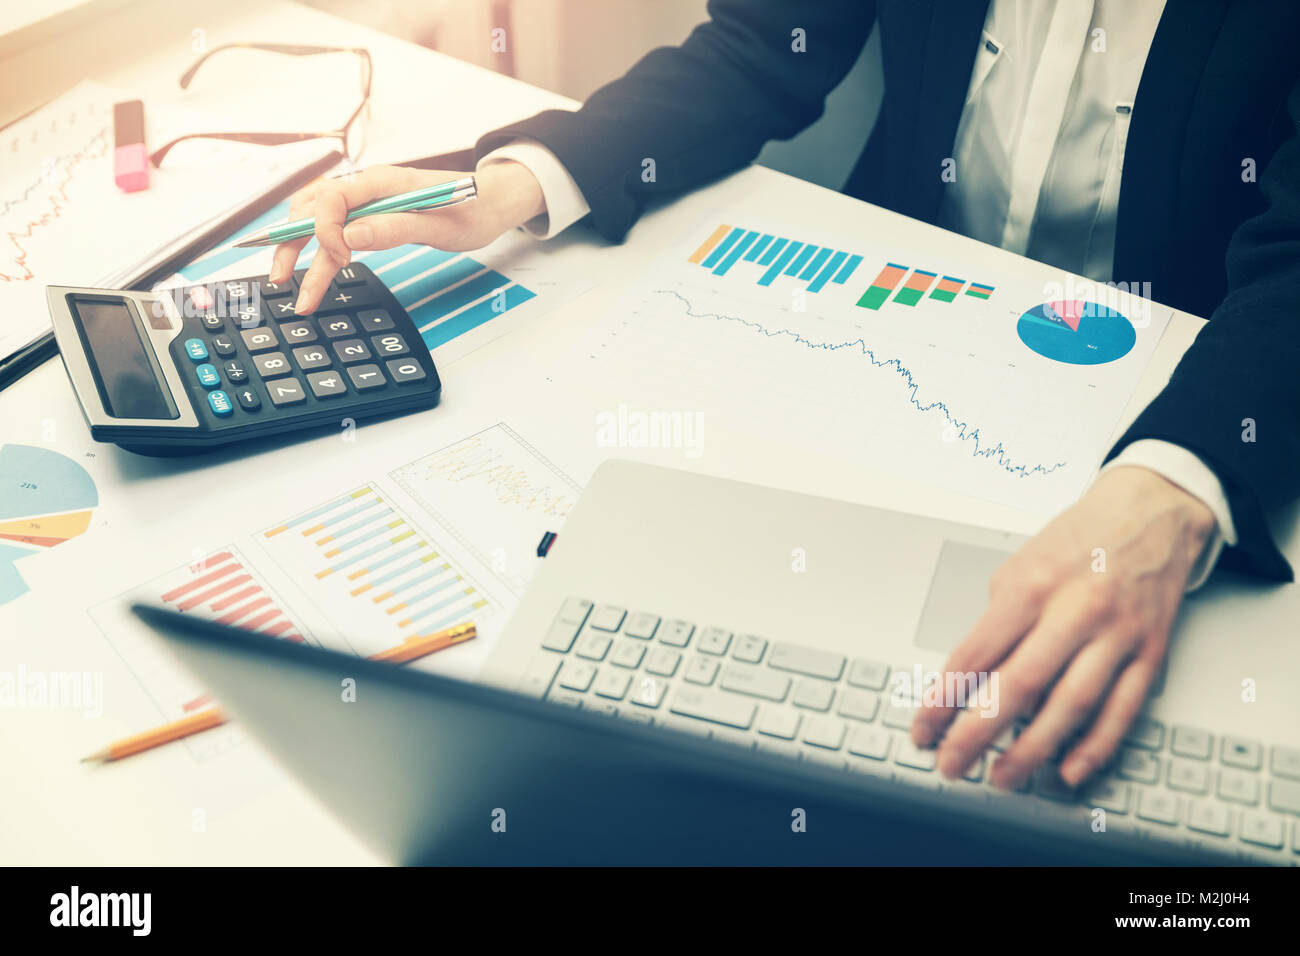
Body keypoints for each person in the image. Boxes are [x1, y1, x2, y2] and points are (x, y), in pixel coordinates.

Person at [273, 0, 1300, 791]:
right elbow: (757, 49)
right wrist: (524, 180)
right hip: (897, 337)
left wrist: (1177, 481)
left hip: (1191, 379)